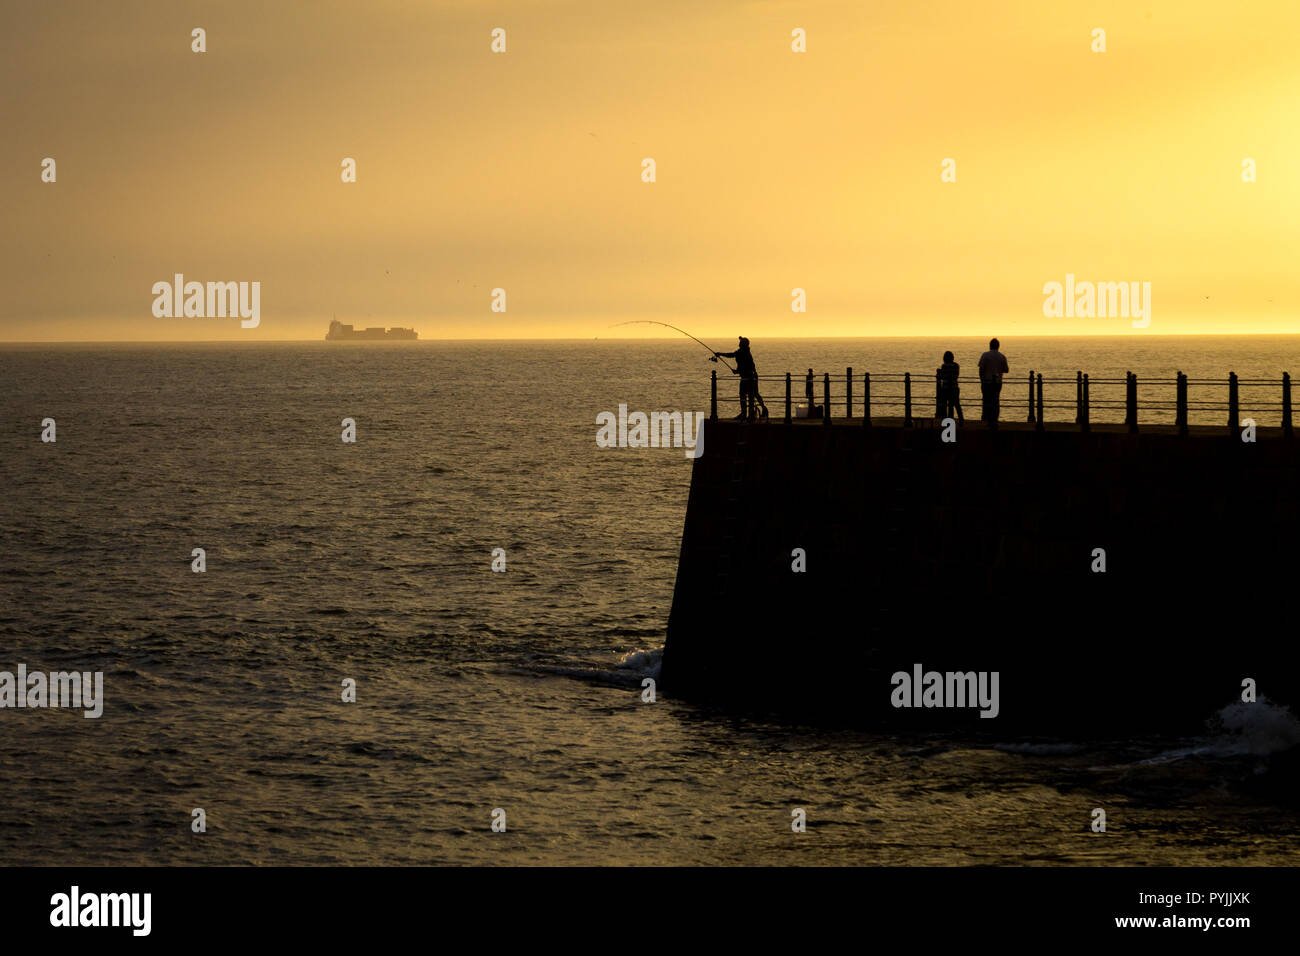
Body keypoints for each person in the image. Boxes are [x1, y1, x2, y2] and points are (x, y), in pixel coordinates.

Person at [715, 337, 765, 421]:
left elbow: (731, 355)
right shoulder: (745, 352)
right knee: (754, 394)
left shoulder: (741, 352)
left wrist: (719, 354)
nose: (739, 343)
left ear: (743, 344)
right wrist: (738, 371)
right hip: (751, 376)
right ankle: (759, 410)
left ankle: (745, 413)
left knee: (743, 394)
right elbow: (746, 365)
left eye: (740, 342)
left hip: (747, 377)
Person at [977, 338, 1009, 426]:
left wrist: (982, 380)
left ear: (990, 345)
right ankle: (995, 419)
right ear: (998, 346)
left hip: (986, 382)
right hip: (998, 383)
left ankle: (985, 419)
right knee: (996, 400)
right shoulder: (1002, 356)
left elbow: (981, 369)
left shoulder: (985, 355)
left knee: (986, 400)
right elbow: (1006, 370)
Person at [939, 351, 963, 424]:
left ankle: (946, 421)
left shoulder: (944, 366)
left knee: (944, 405)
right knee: (955, 404)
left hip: (946, 388)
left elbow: (942, 377)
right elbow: (956, 376)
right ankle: (961, 419)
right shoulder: (956, 366)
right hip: (955, 387)